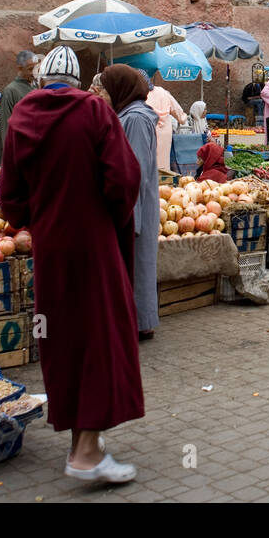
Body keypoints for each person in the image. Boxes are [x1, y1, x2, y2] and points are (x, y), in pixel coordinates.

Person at [0, 45, 145, 482]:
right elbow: (124, 178)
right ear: (78, 82)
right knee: (100, 339)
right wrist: (109, 220)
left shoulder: (21, 118)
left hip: (50, 249)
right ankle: (85, 454)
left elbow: (9, 197)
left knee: (63, 339)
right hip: (94, 245)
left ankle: (86, 440)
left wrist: (34, 219)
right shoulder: (96, 114)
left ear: (41, 81)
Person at [92, 65, 160, 342]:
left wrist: (131, 213)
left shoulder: (136, 119)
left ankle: (141, 323)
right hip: (132, 204)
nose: (102, 95)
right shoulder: (126, 115)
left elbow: (137, 170)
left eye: (105, 90)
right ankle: (133, 321)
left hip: (136, 205)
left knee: (139, 266)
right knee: (132, 266)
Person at [0, 50, 39, 160]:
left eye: (36, 69)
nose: (34, 73)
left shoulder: (37, 88)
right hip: (18, 152)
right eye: (30, 69)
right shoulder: (11, 91)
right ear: (20, 68)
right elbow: (5, 127)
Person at [146, 73, 186, 172]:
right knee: (163, 161)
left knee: (147, 162)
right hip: (165, 132)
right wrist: (183, 118)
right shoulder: (162, 92)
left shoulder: (138, 95)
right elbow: (179, 113)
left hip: (148, 130)